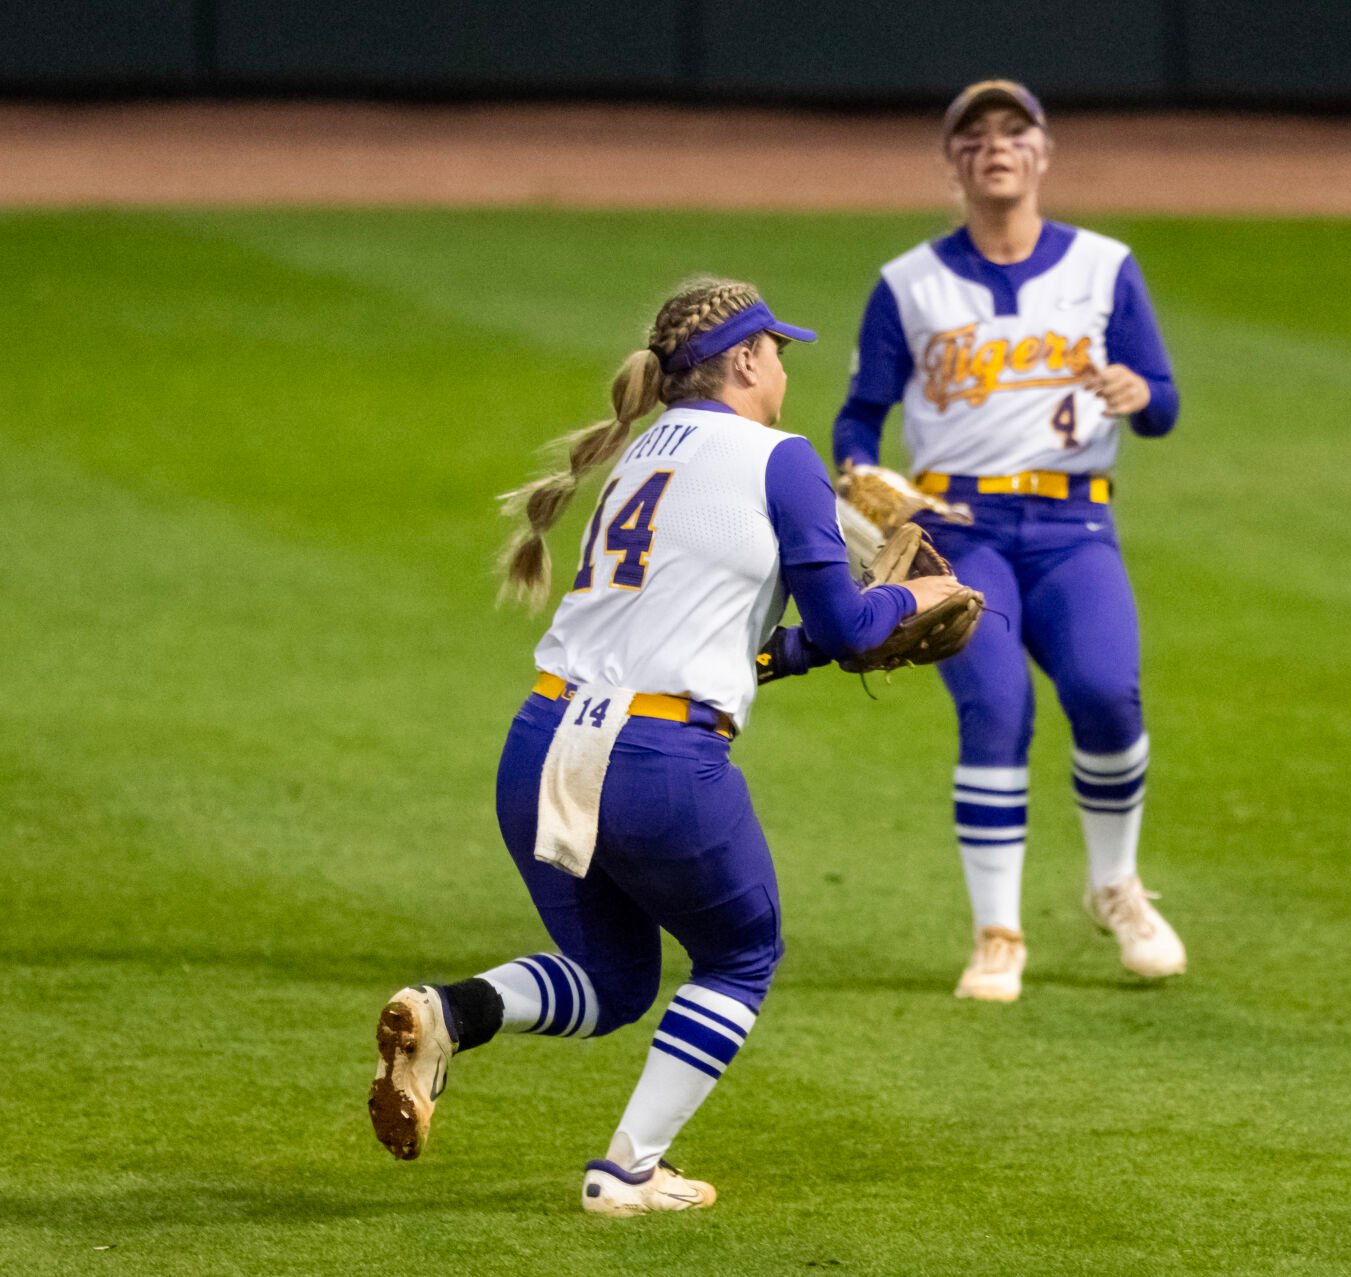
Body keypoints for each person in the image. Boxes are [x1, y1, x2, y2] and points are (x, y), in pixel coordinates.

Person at [367, 277, 964, 1215]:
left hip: (541, 744)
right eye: (776, 350)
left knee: (613, 980)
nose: (782, 368)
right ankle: (627, 1170)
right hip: (655, 762)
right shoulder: (782, 456)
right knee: (740, 954)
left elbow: (747, 645)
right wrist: (908, 601)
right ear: (744, 361)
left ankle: (449, 1012)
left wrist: (823, 640)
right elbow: (852, 626)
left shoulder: (642, 453)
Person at [831, 80, 1187, 1002]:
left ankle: (1116, 887)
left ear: (1043, 152)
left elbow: (1164, 401)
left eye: (1013, 131)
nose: (996, 146)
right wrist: (864, 482)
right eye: (975, 135)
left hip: (1074, 524)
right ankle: (998, 932)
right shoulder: (909, 283)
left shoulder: (1105, 267)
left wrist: (1139, 394)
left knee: (1107, 692)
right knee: (995, 706)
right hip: (958, 529)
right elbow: (859, 418)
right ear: (952, 161)